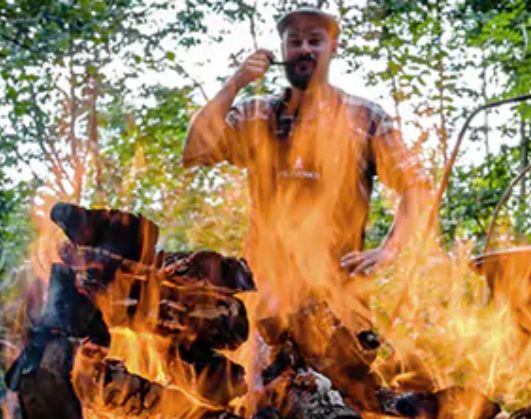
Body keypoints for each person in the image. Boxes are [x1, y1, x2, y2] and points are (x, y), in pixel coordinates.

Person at [182, 7, 430, 324]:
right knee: (262, 373)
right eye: (295, 41)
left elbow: (416, 187)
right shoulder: (255, 116)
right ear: (283, 49)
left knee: (343, 373)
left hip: (340, 297)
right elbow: (194, 152)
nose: (305, 49)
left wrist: (388, 250)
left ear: (333, 46)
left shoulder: (365, 118)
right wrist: (236, 81)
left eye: (315, 40)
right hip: (266, 294)